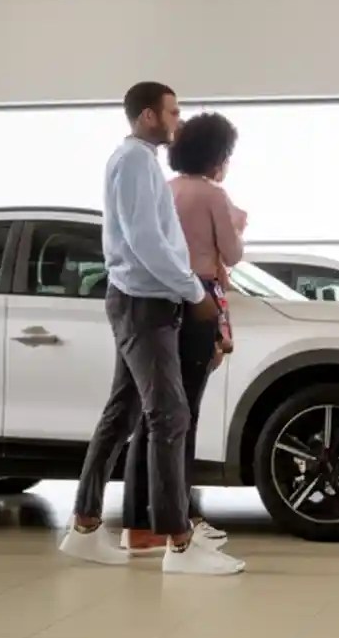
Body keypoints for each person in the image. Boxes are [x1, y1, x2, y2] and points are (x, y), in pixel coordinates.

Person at [59, 82, 245, 576]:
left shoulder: (143, 164)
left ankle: (84, 525)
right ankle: (178, 543)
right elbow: (147, 240)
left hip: (141, 299)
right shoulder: (137, 162)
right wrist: (193, 293)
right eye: (172, 111)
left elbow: (155, 236)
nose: (178, 121)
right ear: (148, 117)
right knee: (168, 415)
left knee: (122, 414)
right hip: (145, 303)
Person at [121, 112, 245, 555]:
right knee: (182, 415)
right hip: (199, 302)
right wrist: (237, 223)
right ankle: (176, 520)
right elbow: (232, 252)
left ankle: (140, 522)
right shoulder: (213, 194)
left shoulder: (167, 189)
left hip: (161, 300)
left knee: (152, 417)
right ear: (217, 156)